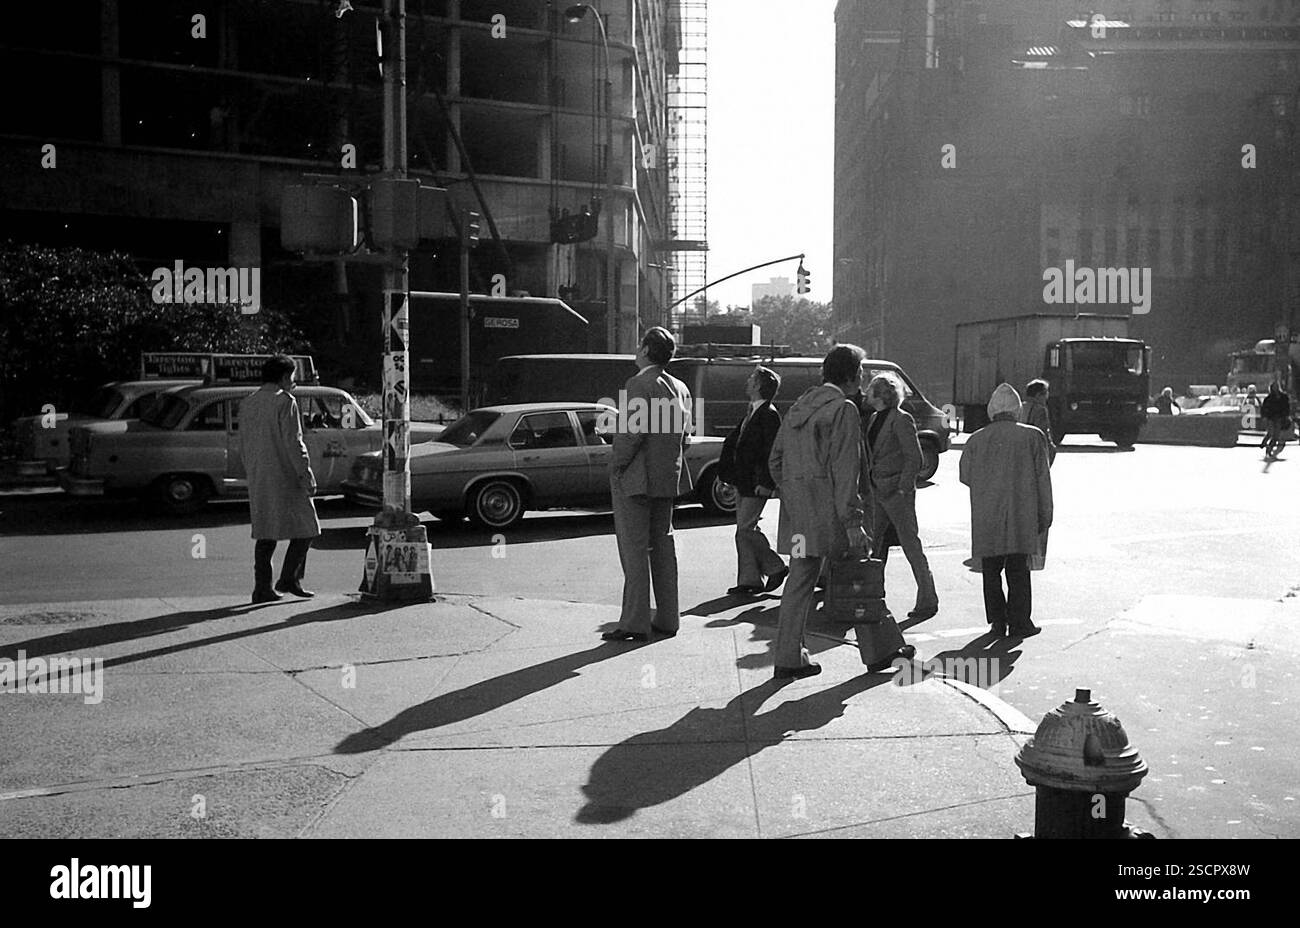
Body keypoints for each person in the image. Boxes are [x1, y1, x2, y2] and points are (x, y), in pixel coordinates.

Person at [770, 345, 883, 680]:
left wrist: (794, 492)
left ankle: (789, 654)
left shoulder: (797, 409)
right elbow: (845, 470)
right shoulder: (843, 410)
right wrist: (853, 522)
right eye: (861, 372)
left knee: (800, 579)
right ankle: (881, 648)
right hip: (832, 514)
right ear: (852, 375)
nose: (862, 379)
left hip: (800, 514)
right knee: (860, 577)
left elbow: (775, 461)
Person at [602, 328, 694, 642]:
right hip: (667, 477)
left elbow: (631, 434)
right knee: (663, 548)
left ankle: (634, 622)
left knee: (634, 550)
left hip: (636, 479)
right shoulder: (679, 388)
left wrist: (616, 465)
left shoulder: (639, 383)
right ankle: (669, 618)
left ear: (644, 349)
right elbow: (685, 438)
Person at [959, 383, 1053, 638]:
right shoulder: (1033, 436)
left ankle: (997, 622)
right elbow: (1043, 478)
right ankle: (1020, 622)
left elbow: (965, 475)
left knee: (991, 570)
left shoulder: (976, 439)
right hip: (1021, 513)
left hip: (987, 514)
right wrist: (1046, 514)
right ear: (1016, 409)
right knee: (1018, 570)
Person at [237, 355, 321, 604]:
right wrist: (306, 475)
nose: (294, 382)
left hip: (259, 475)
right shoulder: (285, 402)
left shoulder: (249, 402)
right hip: (285, 475)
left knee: (265, 533)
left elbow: (244, 443)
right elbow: (294, 443)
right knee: (308, 528)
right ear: (285, 377)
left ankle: (262, 587)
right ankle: (289, 578)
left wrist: (251, 470)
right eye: (292, 377)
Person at [863, 371, 939, 620]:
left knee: (910, 545)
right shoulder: (875, 417)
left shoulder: (901, 419)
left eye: (871, 388)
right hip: (877, 491)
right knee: (873, 546)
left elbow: (914, 457)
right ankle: (873, 594)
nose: (867, 392)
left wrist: (903, 487)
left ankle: (928, 598)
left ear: (881, 394)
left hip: (896, 493)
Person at [719, 366, 788, 596]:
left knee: (746, 528)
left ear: (759, 386)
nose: (747, 381)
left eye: (752, 378)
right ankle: (750, 580)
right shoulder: (752, 411)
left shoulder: (768, 414)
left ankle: (775, 566)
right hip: (744, 480)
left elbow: (772, 451)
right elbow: (737, 445)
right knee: (743, 530)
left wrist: (767, 482)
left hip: (756, 482)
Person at [1019, 379, 1056, 465]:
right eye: (1046, 393)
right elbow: (1043, 432)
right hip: (1033, 449)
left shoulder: (1020, 406)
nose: (1047, 396)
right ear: (1038, 395)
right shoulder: (1040, 410)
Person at [1261, 381, 1291, 460]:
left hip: (1279, 418)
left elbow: (1287, 407)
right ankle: (1264, 443)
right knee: (1270, 433)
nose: (1275, 388)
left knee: (1276, 436)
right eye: (1274, 387)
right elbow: (1264, 408)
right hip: (1271, 417)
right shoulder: (1269, 398)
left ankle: (1269, 449)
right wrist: (1264, 417)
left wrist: (1286, 416)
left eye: (1276, 387)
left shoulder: (1283, 397)